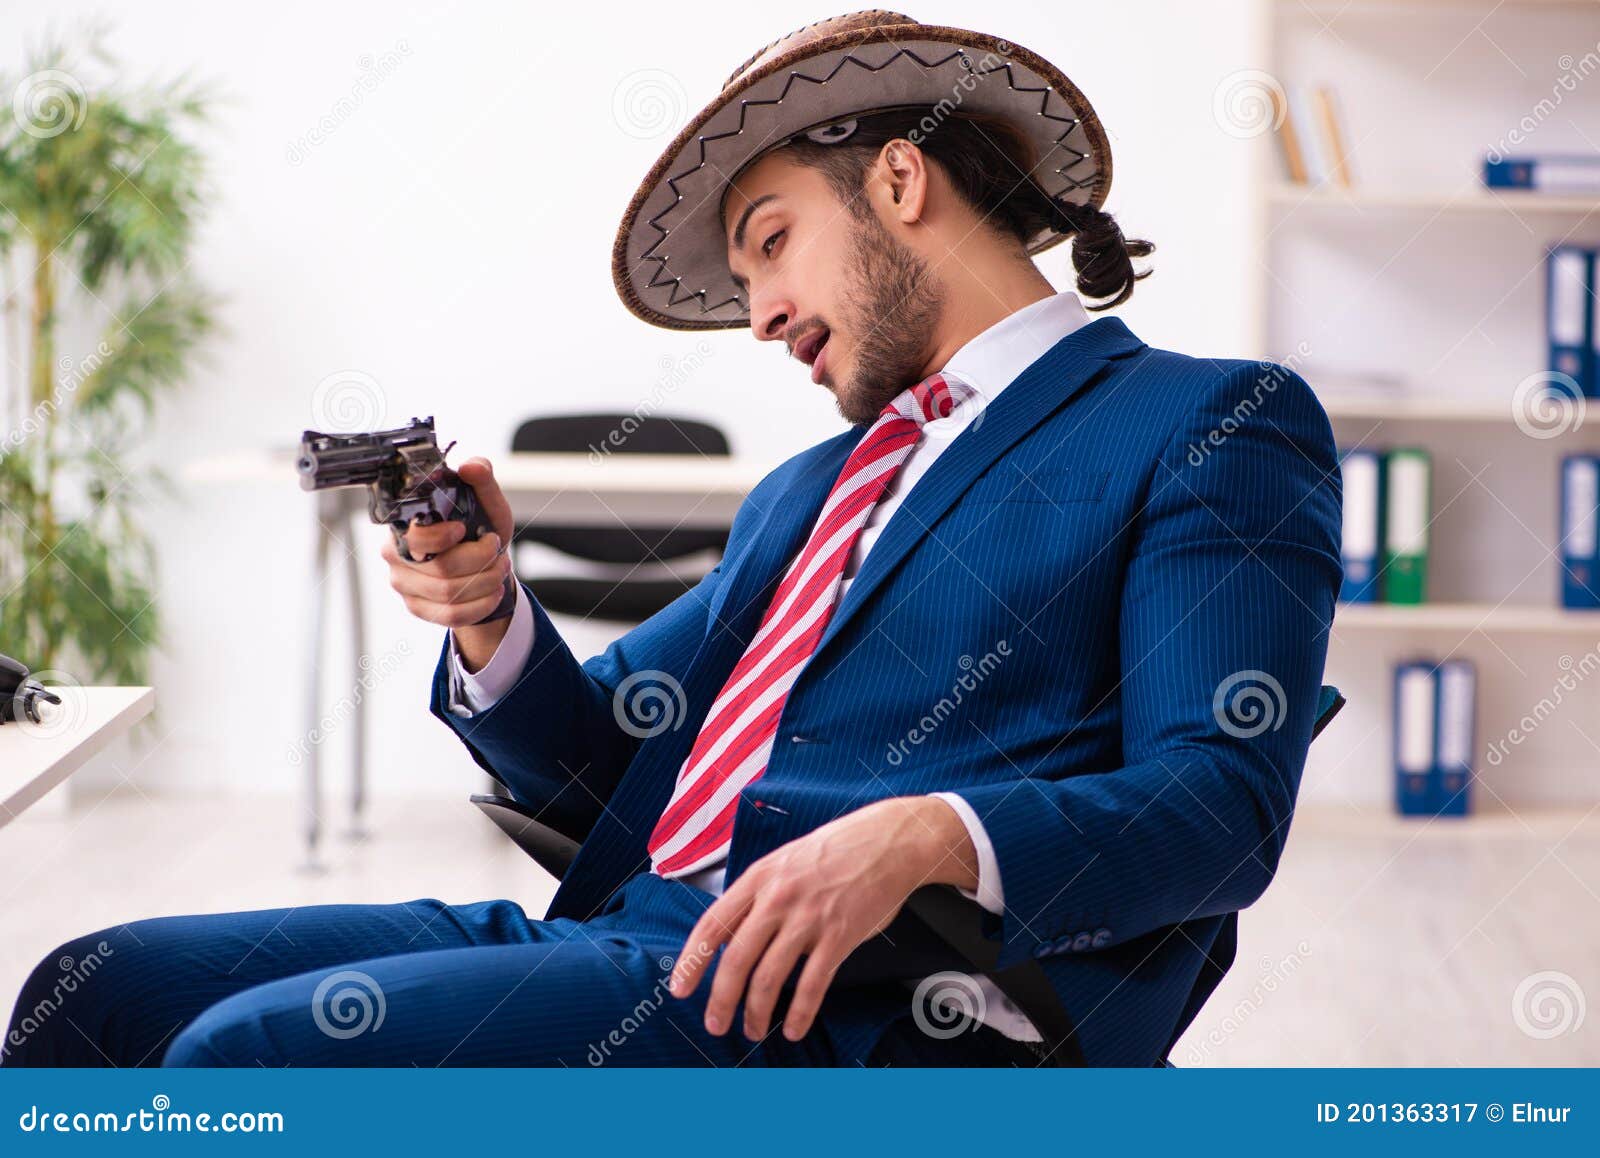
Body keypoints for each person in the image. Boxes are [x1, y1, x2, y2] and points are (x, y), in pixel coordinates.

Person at [4, 10, 1341, 1067]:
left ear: (900, 177)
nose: (758, 315)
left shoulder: (1205, 422)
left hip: (848, 1013)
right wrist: (487, 612)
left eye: (771, 244)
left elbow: (1220, 806)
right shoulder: (811, 488)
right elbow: (607, 763)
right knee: (91, 992)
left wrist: (927, 834)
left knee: (245, 1059)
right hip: (632, 934)